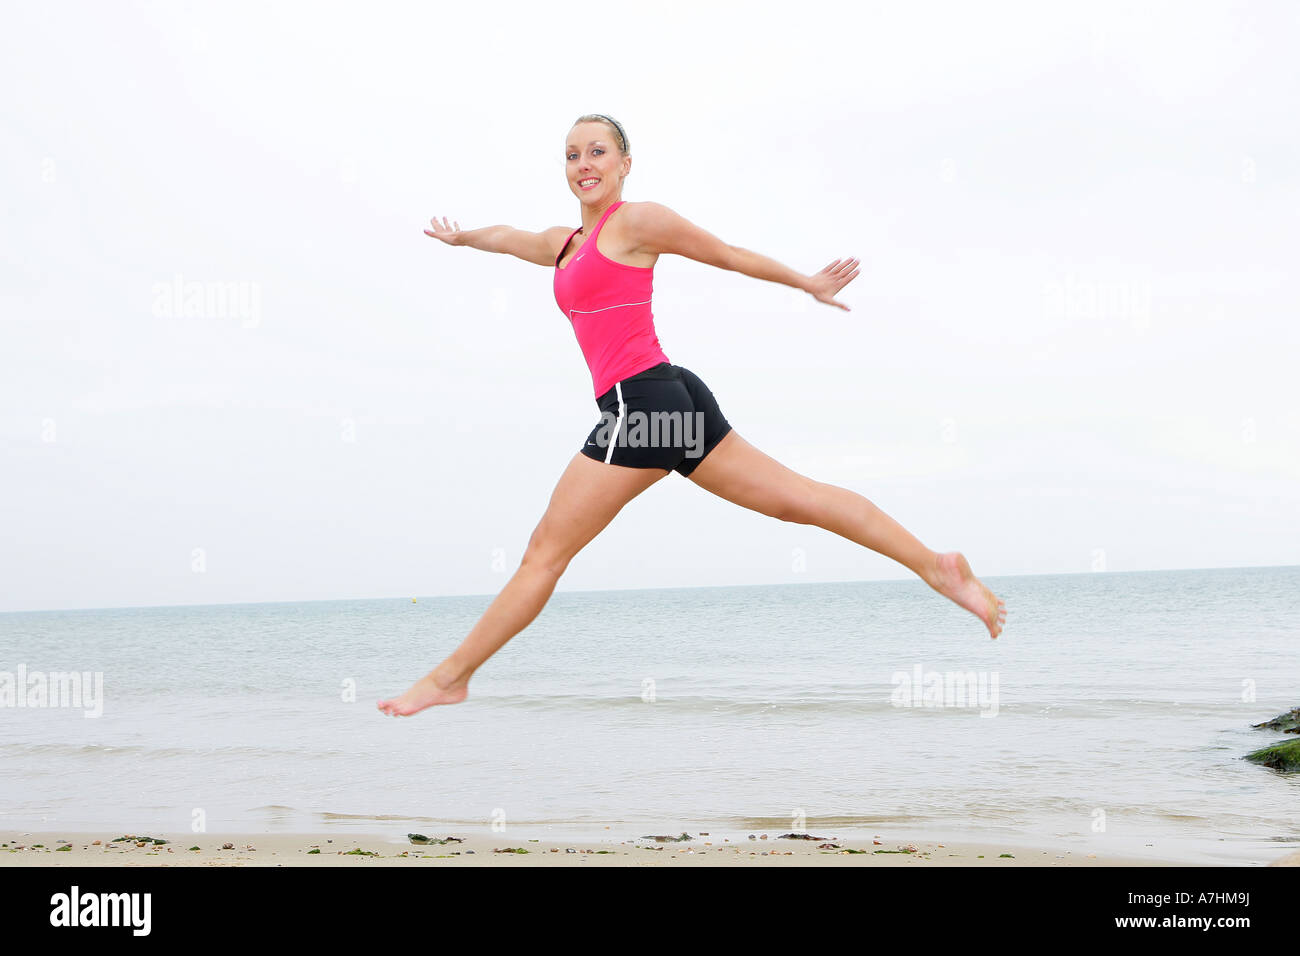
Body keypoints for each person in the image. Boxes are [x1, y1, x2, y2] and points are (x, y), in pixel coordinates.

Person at [378, 113, 1005, 717]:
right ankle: (937, 566)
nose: (584, 164)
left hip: (642, 405)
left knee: (544, 553)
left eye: (598, 151)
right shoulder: (564, 243)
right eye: (572, 155)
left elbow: (725, 253)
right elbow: (510, 241)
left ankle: (450, 678)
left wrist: (806, 283)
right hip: (673, 400)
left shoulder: (637, 222)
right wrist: (463, 238)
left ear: (625, 164)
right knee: (801, 500)